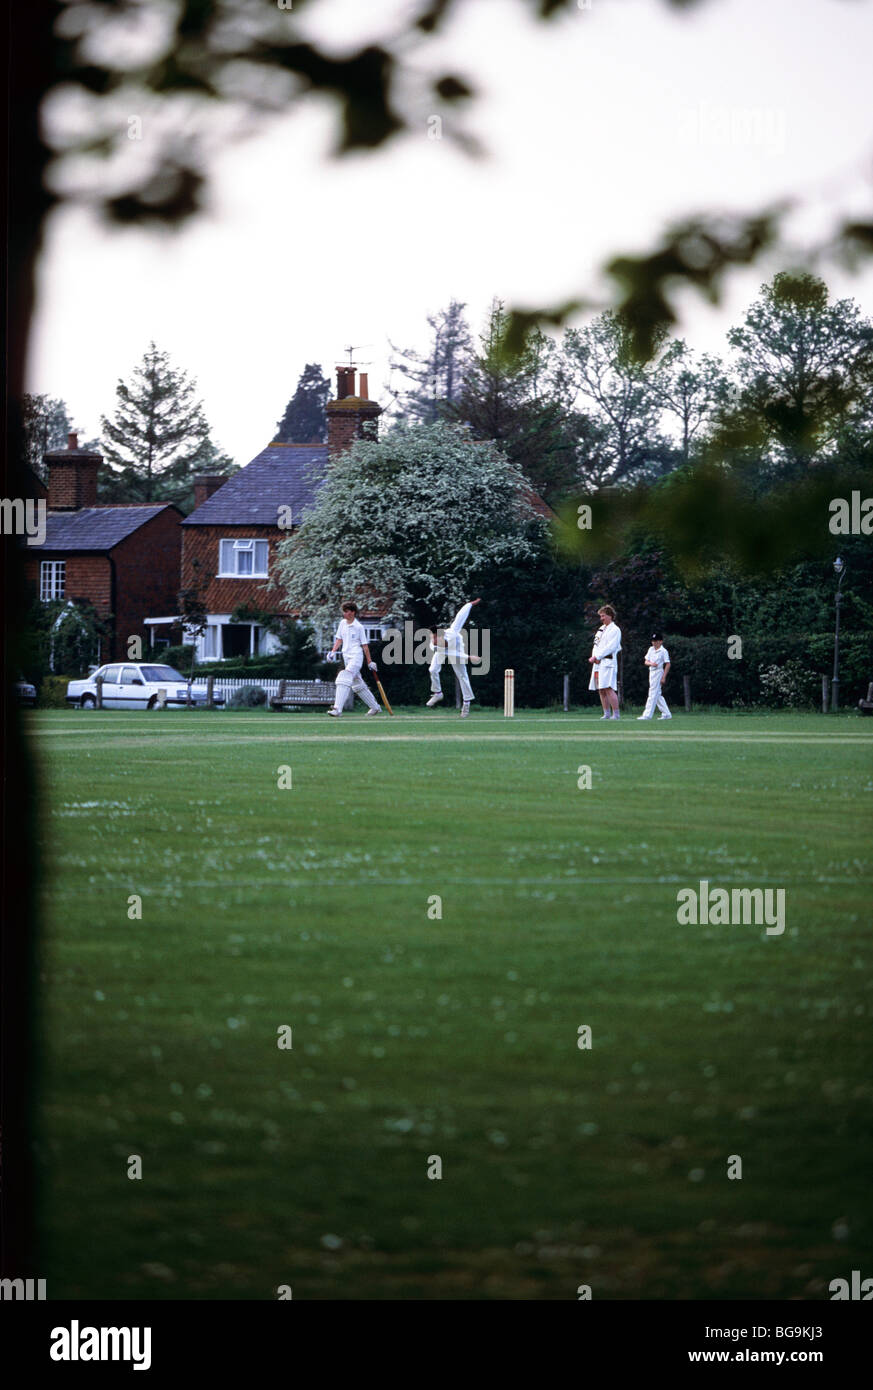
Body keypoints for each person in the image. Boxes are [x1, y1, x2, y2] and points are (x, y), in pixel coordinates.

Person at [426, 598, 480, 718]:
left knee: (462, 676)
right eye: (431, 638)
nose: (433, 641)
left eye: (435, 638)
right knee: (432, 669)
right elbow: (450, 655)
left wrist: (469, 604)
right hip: (446, 652)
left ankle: (466, 704)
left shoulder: (452, 633)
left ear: (442, 635)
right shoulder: (434, 646)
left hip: (456, 648)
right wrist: (470, 657)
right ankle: (438, 693)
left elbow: (460, 617)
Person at [325, 601, 381, 716]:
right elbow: (339, 639)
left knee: (344, 676)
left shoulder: (359, 627)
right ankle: (375, 707)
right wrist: (333, 651)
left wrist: (369, 661)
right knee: (357, 684)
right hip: (346, 657)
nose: (344, 614)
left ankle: (337, 709)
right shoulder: (342, 623)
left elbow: (365, 646)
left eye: (346, 612)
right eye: (343, 612)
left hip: (356, 657)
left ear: (353, 612)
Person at [588, 604, 622, 720]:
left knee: (608, 687)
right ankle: (606, 713)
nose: (601, 618)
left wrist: (598, 656)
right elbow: (596, 645)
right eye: (600, 616)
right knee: (600, 688)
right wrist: (594, 657)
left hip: (608, 662)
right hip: (598, 663)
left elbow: (611, 647)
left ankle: (616, 714)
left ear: (610, 616)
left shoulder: (615, 630)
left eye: (603, 616)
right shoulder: (600, 630)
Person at [637, 631, 672, 721]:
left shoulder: (663, 651)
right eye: (653, 641)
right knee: (657, 694)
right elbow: (646, 661)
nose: (654, 643)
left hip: (658, 672)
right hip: (651, 672)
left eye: (656, 641)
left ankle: (647, 715)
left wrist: (664, 677)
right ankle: (667, 714)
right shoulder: (651, 649)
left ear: (661, 641)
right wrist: (651, 664)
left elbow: (668, 664)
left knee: (652, 693)